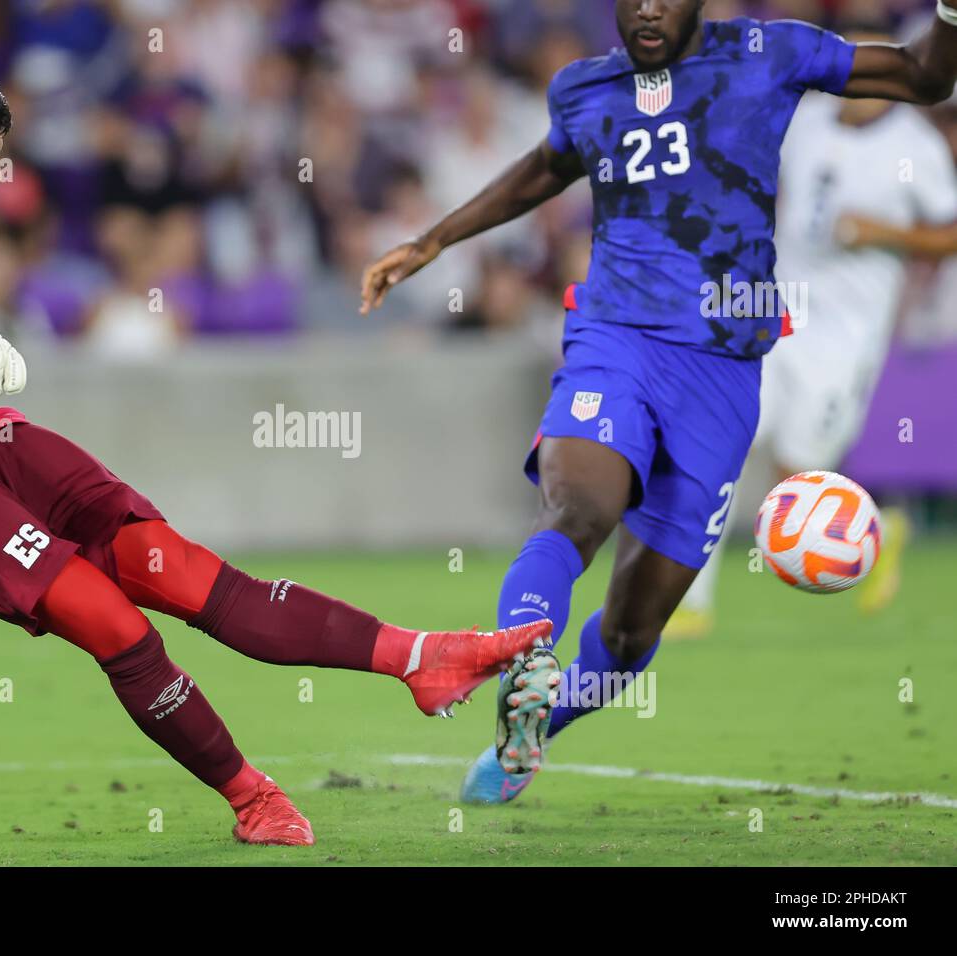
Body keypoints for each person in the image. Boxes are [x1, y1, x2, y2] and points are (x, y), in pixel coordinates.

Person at [0, 55, 554, 845]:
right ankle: (252, 797)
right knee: (113, 621)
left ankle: (418, 658)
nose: (0, 175)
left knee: (176, 566)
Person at [358, 0, 957, 803]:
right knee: (578, 510)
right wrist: (433, 241)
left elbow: (922, 74)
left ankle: (532, 734)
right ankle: (526, 660)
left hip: (723, 369)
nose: (647, 9)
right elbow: (547, 165)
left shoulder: (771, 53)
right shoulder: (583, 87)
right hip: (617, 336)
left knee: (632, 634)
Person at [667, 25, 957, 638]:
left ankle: (875, 526)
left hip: (847, 337)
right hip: (774, 317)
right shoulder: (807, 122)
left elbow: (950, 231)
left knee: (799, 472)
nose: (852, 78)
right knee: (720, 444)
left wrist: (885, 234)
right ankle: (689, 604)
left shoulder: (916, 147)